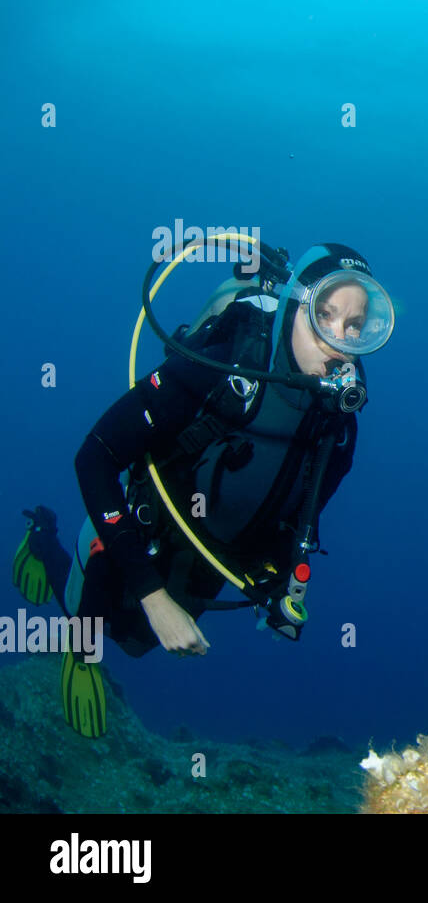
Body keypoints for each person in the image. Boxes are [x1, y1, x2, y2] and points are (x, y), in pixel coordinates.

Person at [12, 242, 394, 737]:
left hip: (204, 568)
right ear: (292, 309)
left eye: (355, 326)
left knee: (137, 642)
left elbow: (297, 516)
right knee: (97, 617)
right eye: (324, 315)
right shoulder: (219, 367)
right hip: (134, 536)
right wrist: (153, 596)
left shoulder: (336, 426)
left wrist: (280, 586)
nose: (338, 340)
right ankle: (45, 542)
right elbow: (95, 458)